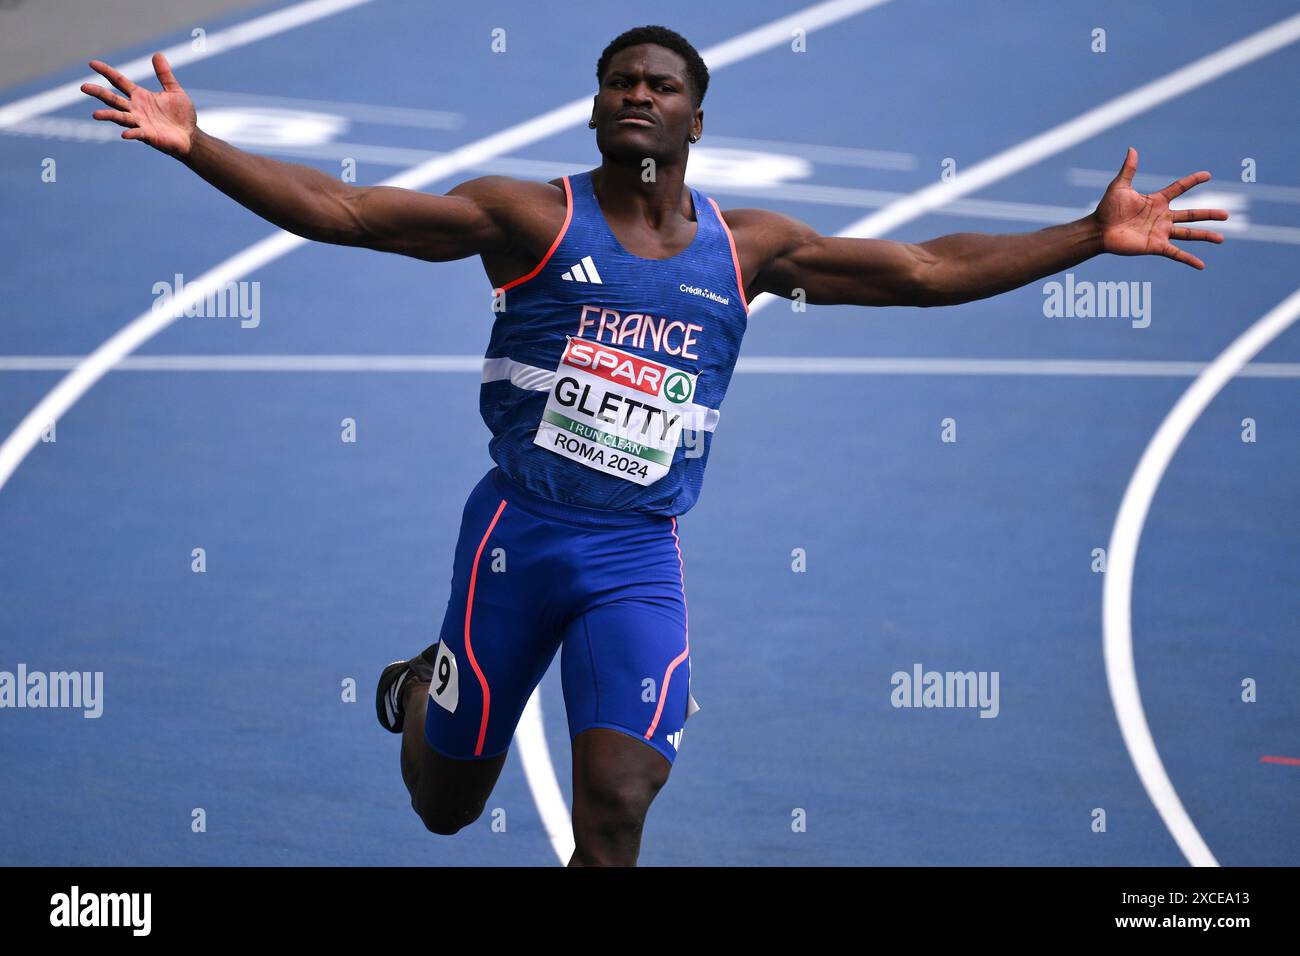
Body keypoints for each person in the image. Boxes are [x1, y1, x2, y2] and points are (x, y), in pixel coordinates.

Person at [81, 24, 1227, 867]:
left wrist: (1086, 233)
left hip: (636, 551)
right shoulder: (524, 218)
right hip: (517, 536)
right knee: (443, 805)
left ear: (693, 118)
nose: (638, 94)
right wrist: (198, 145)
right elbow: (347, 213)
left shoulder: (750, 249)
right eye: (619, 82)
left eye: (662, 84)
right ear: (594, 113)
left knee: (620, 801)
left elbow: (925, 271)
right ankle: (419, 686)